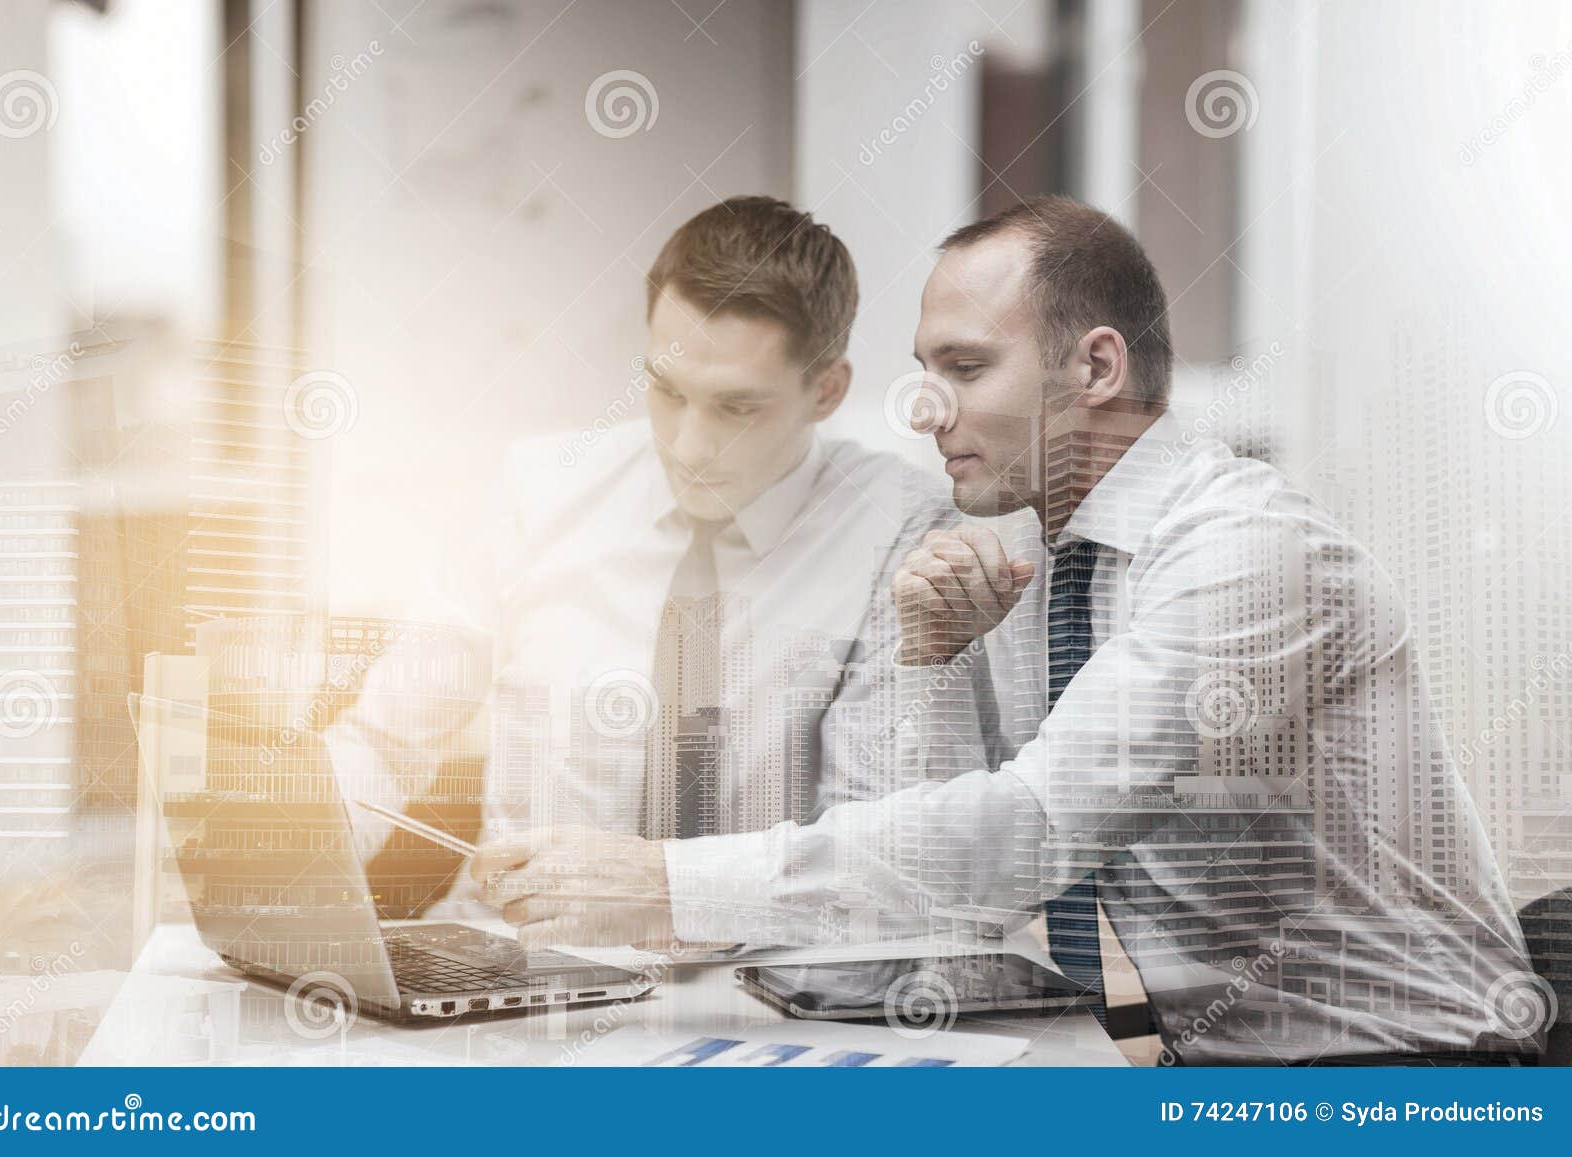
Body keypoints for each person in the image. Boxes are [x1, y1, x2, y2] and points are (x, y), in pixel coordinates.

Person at [474, 195, 1545, 1064]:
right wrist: (933, 661)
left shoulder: (1243, 553)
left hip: (1406, 1075)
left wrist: (664, 884)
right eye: (924, 370)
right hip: (1186, 1067)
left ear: (1096, 369)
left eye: (965, 367)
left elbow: (1025, 834)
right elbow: (931, 910)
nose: (924, 408)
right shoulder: (1021, 556)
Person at [330, 196, 1001, 933]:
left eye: (736, 408)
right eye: (667, 391)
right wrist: (291, 864)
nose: (686, 445)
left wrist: (677, 900)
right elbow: (384, 740)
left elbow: (892, 858)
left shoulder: (902, 534)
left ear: (826, 390)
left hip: (759, 990)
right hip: (512, 967)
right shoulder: (538, 493)